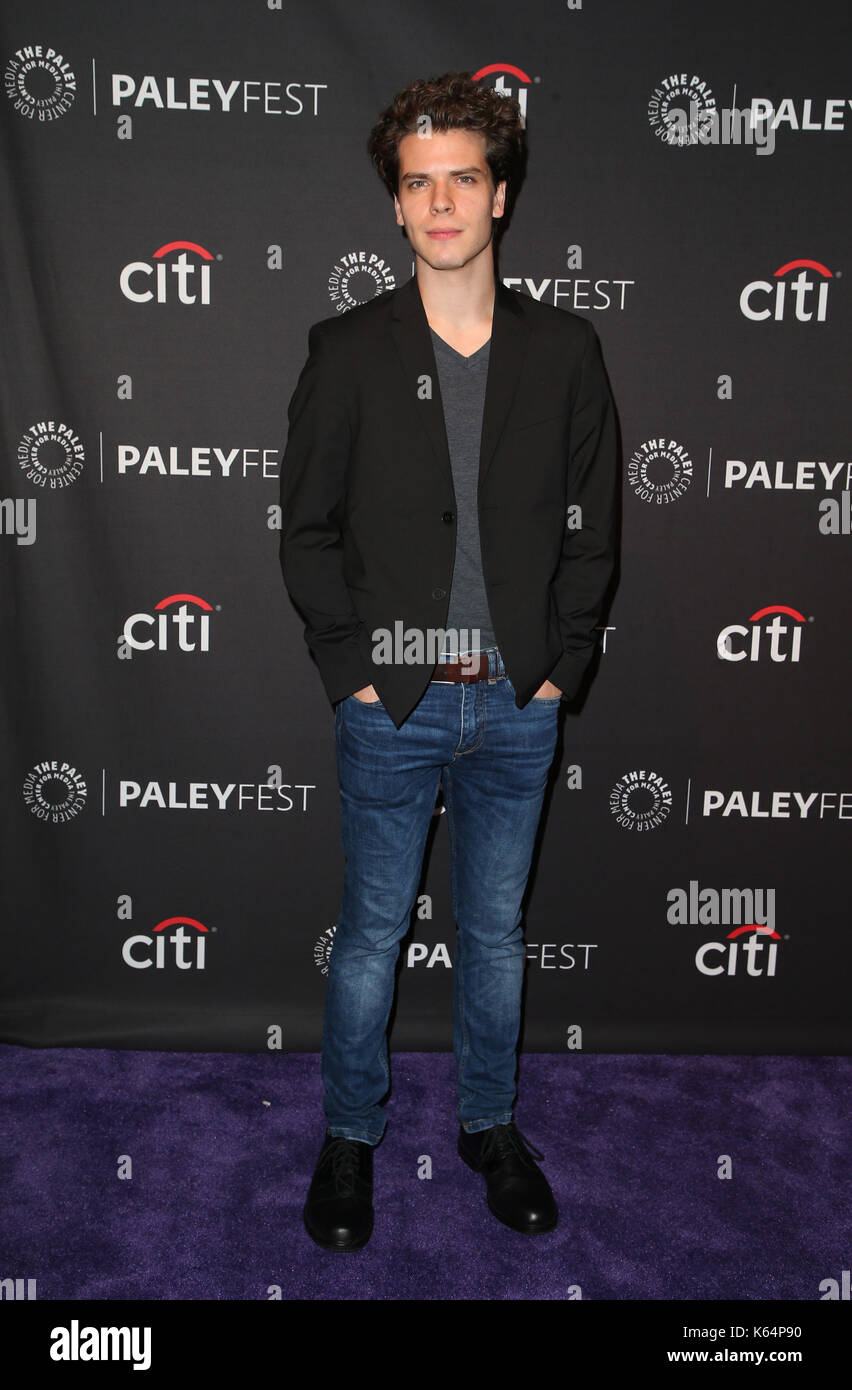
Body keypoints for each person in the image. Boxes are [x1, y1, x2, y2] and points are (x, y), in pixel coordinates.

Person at [279, 71, 618, 1250]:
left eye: (460, 179)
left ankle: (488, 1125)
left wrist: (560, 666)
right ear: (396, 206)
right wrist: (353, 670)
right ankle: (349, 1136)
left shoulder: (567, 350)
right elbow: (306, 529)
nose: (439, 203)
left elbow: (595, 524)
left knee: (494, 935)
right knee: (372, 931)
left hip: (519, 706)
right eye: (417, 184)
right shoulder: (348, 348)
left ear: (500, 194)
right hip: (393, 702)